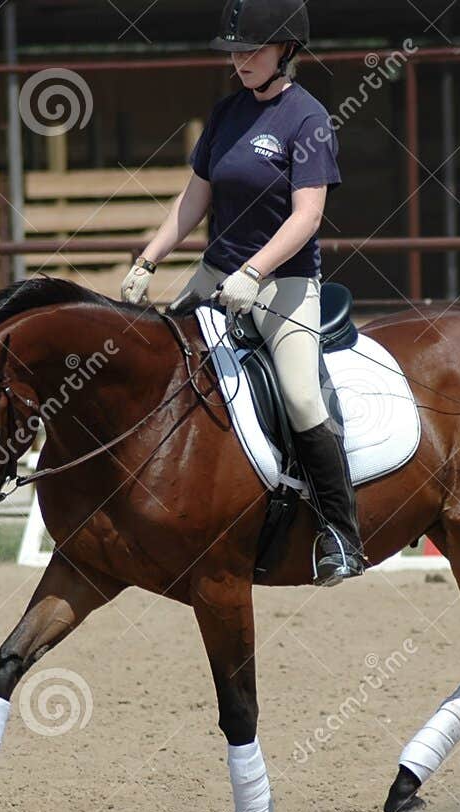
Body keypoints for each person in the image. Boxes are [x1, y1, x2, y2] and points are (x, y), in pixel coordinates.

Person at [121, 0, 365, 586]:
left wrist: (255, 271)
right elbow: (193, 199)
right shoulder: (225, 114)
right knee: (156, 365)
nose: (240, 59)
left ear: (286, 50)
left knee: (303, 397)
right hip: (214, 276)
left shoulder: (308, 120)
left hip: (284, 284)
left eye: (251, 48)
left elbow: (307, 217)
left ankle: (340, 533)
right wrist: (148, 260)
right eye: (233, 50)